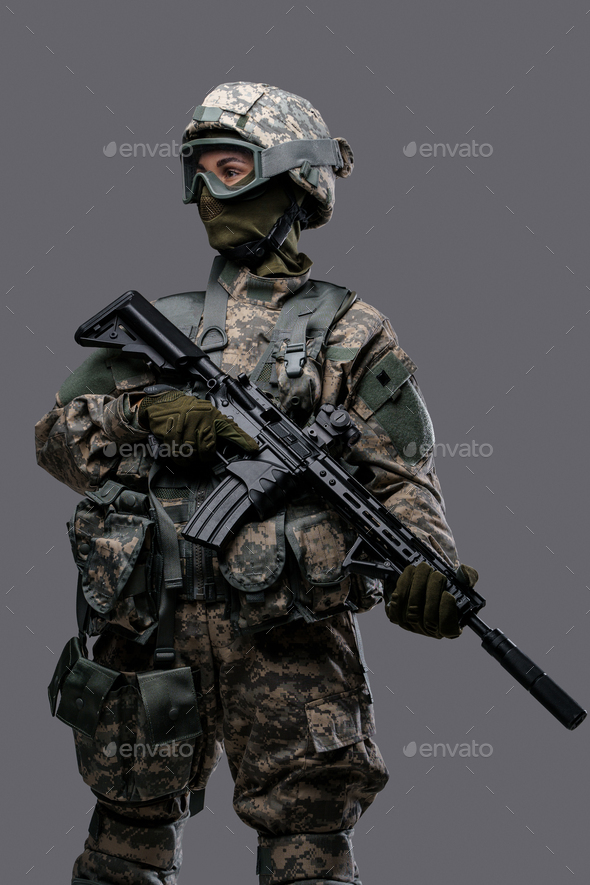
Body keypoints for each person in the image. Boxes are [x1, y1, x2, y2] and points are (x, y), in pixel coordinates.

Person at [35, 82, 477, 885]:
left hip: (290, 642)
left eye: (230, 168)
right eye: (196, 172)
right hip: (148, 631)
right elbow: (55, 441)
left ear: (293, 180)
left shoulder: (352, 333)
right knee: (122, 848)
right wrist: (147, 417)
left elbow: (403, 477)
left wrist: (430, 569)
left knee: (308, 847)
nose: (207, 192)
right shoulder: (159, 327)